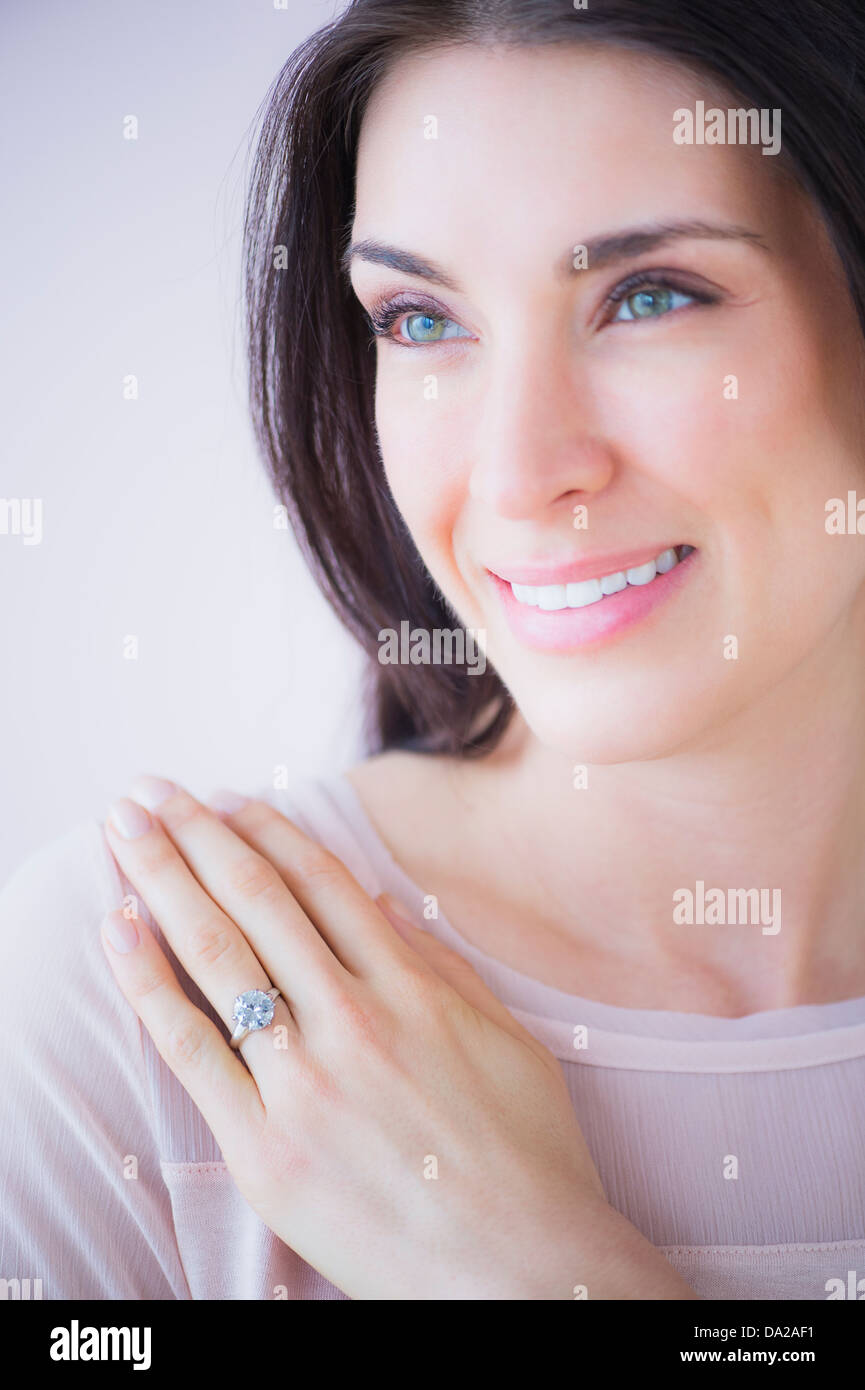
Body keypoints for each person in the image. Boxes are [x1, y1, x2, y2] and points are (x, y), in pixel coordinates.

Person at [3, 0, 865, 1301]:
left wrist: (548, 1271)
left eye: (648, 296)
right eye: (418, 321)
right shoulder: (139, 993)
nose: (517, 474)